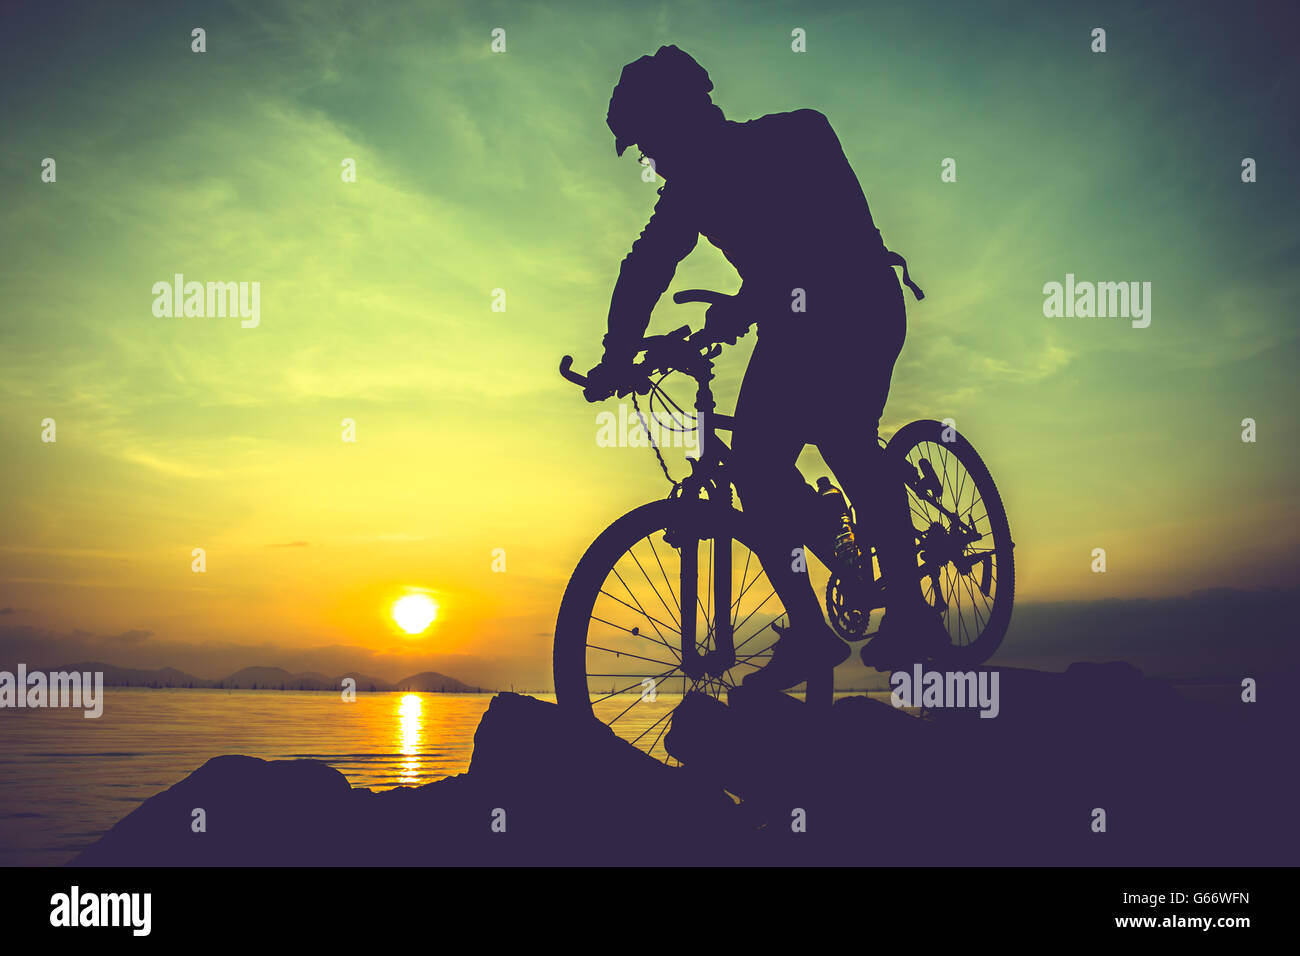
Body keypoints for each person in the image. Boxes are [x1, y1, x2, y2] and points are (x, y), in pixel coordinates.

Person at [584, 46, 948, 690]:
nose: (654, 162)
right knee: (756, 465)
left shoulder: (799, 135)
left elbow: (820, 240)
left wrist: (748, 303)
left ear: (687, 115)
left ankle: (913, 618)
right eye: (645, 153)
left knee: (839, 438)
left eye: (652, 143)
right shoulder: (689, 194)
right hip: (794, 325)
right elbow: (646, 266)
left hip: (858, 305)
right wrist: (617, 354)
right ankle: (812, 625)